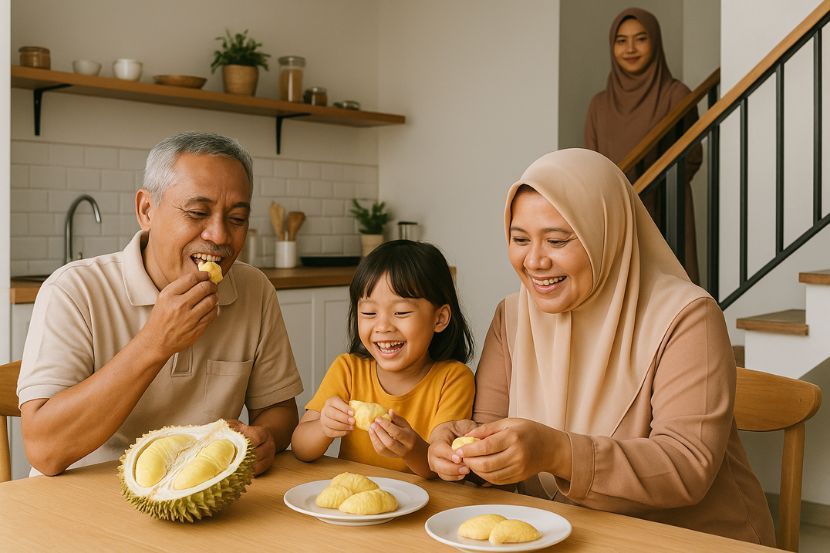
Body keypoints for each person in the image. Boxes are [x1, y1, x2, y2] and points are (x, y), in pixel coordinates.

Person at [428, 149, 775, 546]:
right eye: (519, 239)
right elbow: (488, 432)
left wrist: (557, 452)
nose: (535, 260)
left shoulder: (688, 316)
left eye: (557, 240)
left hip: (689, 540)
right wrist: (463, 454)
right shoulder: (511, 316)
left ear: (605, 232)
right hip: (566, 534)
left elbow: (686, 467)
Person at [17, 131, 303, 477]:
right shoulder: (73, 290)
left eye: (237, 219)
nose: (219, 236)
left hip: (200, 496)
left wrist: (265, 438)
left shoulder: (254, 289)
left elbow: (279, 409)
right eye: (198, 212)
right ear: (146, 210)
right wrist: (156, 342)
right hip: (81, 507)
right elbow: (44, 451)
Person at [291, 240, 475, 479]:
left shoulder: (453, 379)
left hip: (425, 506)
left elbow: (443, 469)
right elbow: (300, 448)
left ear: (439, 318)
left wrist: (412, 449)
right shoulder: (347, 369)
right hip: (355, 504)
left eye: (401, 312)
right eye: (369, 313)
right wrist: (323, 427)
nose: (383, 326)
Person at [584, 7, 702, 283]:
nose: (630, 48)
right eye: (621, 40)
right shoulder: (599, 105)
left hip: (664, 212)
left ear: (655, 42)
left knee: (668, 297)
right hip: (612, 216)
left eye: (641, 38)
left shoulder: (676, 95)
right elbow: (590, 163)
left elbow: (693, 157)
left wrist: (650, 190)